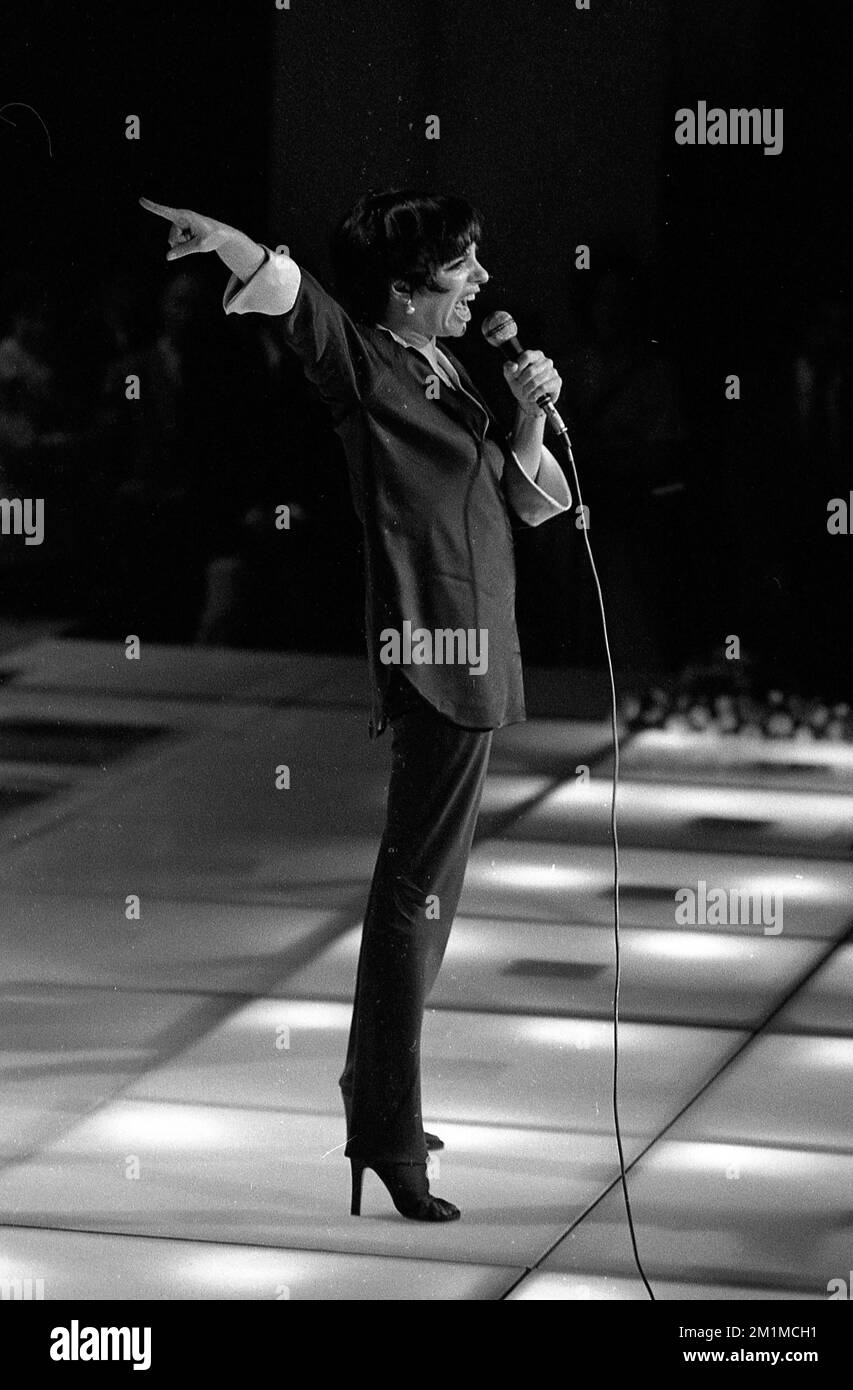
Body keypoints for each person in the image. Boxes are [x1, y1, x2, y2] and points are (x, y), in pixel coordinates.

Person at [140, 189, 572, 1221]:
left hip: (473, 655)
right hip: (436, 652)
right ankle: (383, 1127)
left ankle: (375, 1098)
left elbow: (529, 499)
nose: (479, 283)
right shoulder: (368, 367)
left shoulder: (455, 371)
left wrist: (529, 411)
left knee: (423, 901)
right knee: (411, 902)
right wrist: (229, 239)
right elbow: (299, 302)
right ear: (408, 289)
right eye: (461, 268)